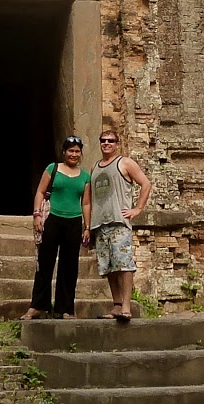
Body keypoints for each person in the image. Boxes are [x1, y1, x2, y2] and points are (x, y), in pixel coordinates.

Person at [23, 135, 92, 320]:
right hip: (52, 218)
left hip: (74, 221)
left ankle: (65, 308)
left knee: (69, 266)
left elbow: (86, 203)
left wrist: (87, 226)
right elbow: (40, 191)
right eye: (71, 151)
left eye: (77, 151)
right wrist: (37, 214)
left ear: (81, 153)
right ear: (64, 152)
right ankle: (38, 305)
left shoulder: (85, 176)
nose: (74, 154)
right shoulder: (53, 169)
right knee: (45, 263)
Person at [88, 127, 151, 322]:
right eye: (103, 140)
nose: (106, 143)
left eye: (110, 141)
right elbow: (90, 199)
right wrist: (88, 225)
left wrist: (137, 209)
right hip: (100, 223)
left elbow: (145, 184)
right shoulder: (95, 167)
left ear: (117, 144)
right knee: (108, 267)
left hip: (118, 221)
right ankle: (116, 304)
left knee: (124, 264)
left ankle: (126, 306)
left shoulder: (125, 163)